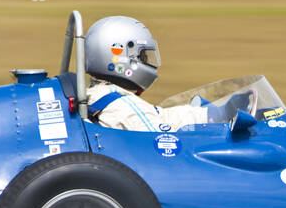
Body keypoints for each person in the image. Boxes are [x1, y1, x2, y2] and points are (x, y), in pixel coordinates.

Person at [83, 16, 250, 131]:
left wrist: (217, 113)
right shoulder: (124, 107)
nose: (147, 61)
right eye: (143, 56)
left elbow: (163, 117)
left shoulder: (103, 96)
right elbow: (164, 142)